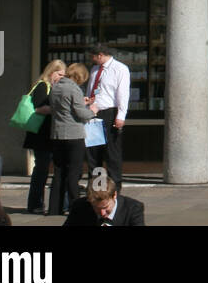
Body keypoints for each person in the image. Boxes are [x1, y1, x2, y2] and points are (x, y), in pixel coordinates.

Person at [48, 63, 98, 216]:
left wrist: (80, 103)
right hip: (74, 134)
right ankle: (75, 206)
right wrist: (92, 111)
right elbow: (80, 114)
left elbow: (64, 108)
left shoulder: (55, 87)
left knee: (59, 172)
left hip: (57, 134)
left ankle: (54, 208)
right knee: (73, 172)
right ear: (80, 77)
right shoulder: (74, 88)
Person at [86, 43, 130, 188]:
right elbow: (91, 89)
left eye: (93, 57)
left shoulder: (120, 69)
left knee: (112, 153)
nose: (92, 60)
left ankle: (115, 187)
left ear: (100, 55)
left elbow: (123, 94)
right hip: (93, 112)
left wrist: (121, 115)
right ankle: (96, 186)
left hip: (110, 112)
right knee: (94, 152)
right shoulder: (94, 69)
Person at [23, 60, 64, 214]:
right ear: (51, 72)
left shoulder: (54, 87)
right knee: (41, 170)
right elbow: (40, 108)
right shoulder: (42, 86)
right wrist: (59, 108)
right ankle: (35, 203)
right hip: (40, 135)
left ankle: (44, 203)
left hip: (49, 134)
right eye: (59, 74)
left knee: (46, 169)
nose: (61, 77)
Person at [64, 174, 145, 226]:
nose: (102, 213)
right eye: (97, 208)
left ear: (114, 195)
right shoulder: (80, 206)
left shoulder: (133, 209)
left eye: (105, 207)